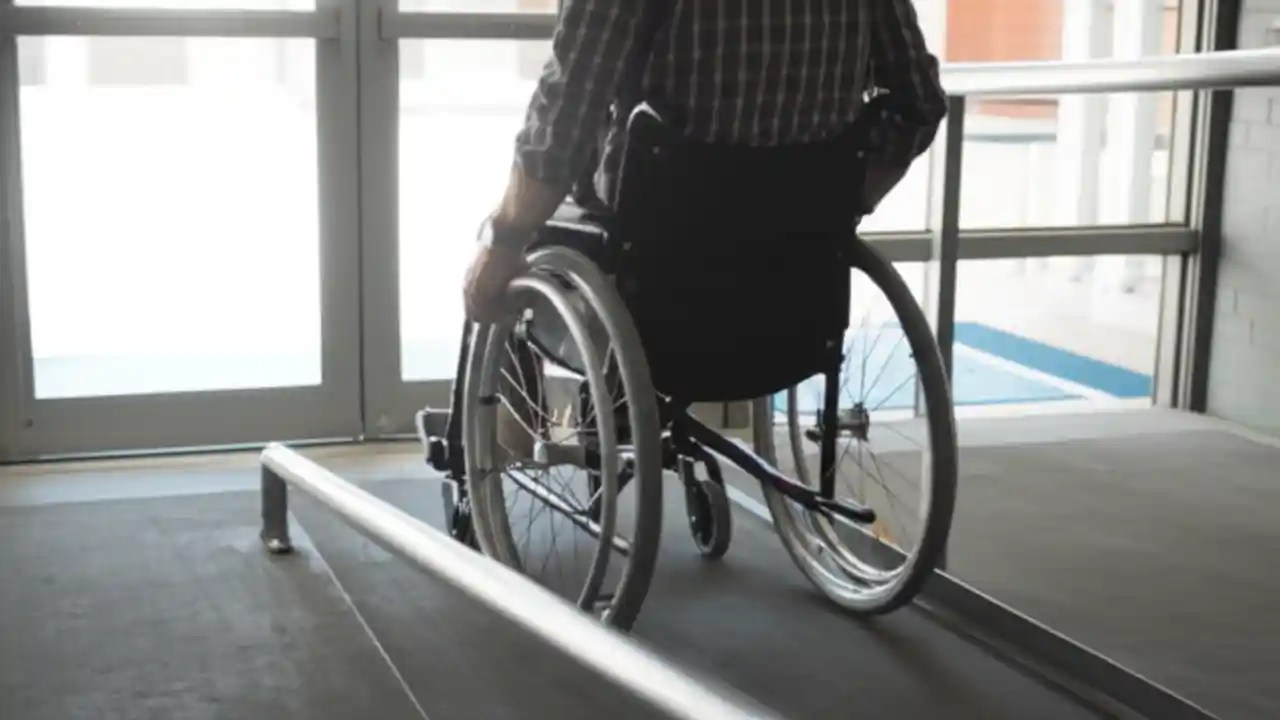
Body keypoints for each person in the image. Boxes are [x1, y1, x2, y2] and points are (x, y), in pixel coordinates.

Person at [462, 0, 948, 324]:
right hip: (799, 248)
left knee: (517, 238)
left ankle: (504, 451)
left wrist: (506, 234)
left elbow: (570, 102)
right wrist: (845, 196)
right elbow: (920, 102)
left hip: (661, 239)